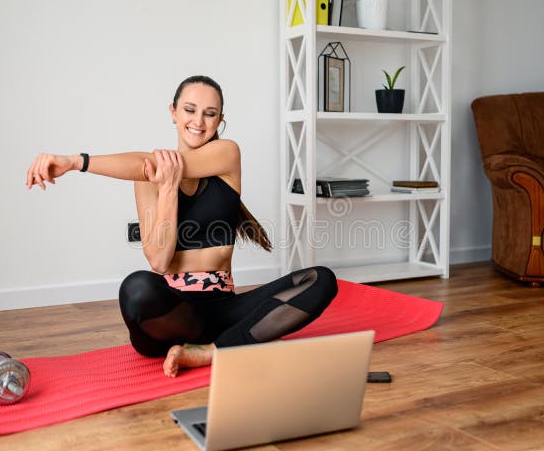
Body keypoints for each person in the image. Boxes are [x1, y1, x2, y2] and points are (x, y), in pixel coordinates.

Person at [25, 75, 338, 377]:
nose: (198, 121)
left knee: (321, 279)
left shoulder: (227, 155)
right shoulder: (146, 180)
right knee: (136, 287)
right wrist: (167, 190)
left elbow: (154, 163)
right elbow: (160, 261)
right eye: (189, 110)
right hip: (172, 315)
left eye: (209, 114)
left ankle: (211, 352)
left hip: (223, 312)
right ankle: (223, 342)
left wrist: (73, 161)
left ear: (220, 120)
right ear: (173, 112)